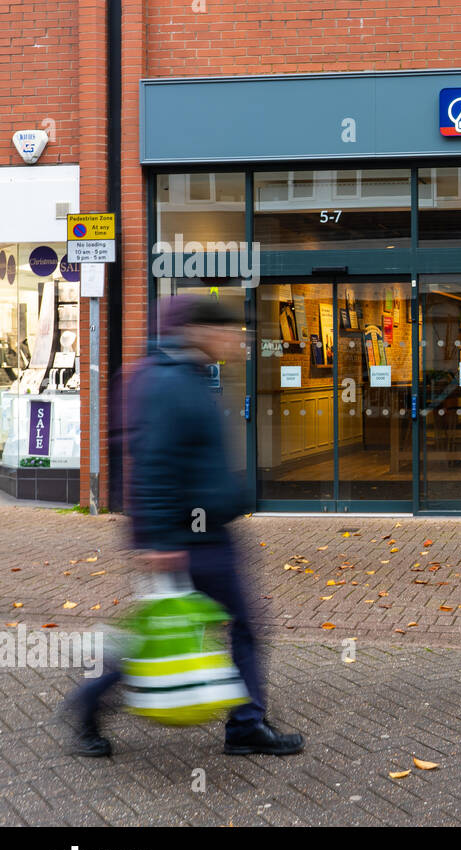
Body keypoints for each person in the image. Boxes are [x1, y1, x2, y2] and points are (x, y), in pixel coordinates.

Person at [66, 296, 304, 758]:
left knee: (187, 628)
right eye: (230, 331)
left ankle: (243, 723)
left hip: (202, 531)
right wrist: (157, 539)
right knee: (218, 628)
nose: (238, 340)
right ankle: (244, 726)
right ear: (197, 329)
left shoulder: (184, 376)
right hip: (187, 538)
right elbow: (151, 464)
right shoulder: (167, 383)